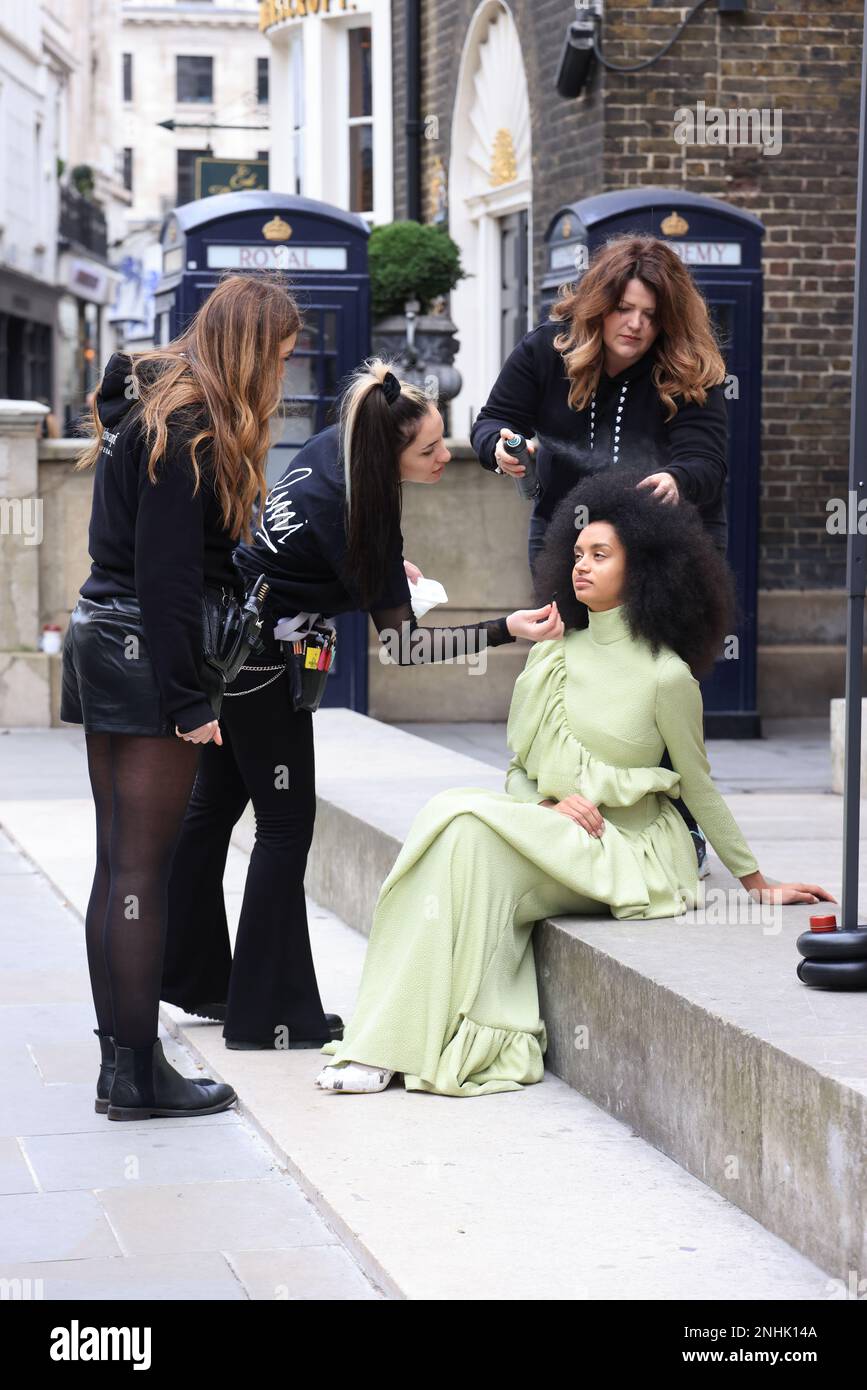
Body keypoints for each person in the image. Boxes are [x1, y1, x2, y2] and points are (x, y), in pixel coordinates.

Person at [315, 467, 836, 1097]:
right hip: (558, 828)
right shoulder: (551, 653)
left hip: (630, 849)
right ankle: (392, 1040)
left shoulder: (667, 676)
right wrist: (544, 802)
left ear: (643, 569)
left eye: (601, 555)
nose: (581, 566)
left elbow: (697, 784)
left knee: (460, 825)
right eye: (578, 553)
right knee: (459, 839)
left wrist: (756, 881)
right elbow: (518, 770)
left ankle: (400, 1044)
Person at [160, 358, 563, 1050]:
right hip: (261, 663)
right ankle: (269, 1015)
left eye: (443, 442)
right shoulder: (365, 515)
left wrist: (373, 580)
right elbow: (404, 646)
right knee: (285, 826)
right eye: (429, 448)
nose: (444, 457)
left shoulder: (330, 450)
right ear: (388, 449)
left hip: (223, 640)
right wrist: (505, 628)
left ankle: (195, 978)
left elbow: (305, 556)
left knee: (212, 811)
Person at [60, 272, 302, 1120]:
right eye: (277, 357)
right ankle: (135, 1074)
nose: (280, 375)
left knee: (120, 862)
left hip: (106, 634)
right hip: (143, 649)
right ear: (247, 350)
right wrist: (188, 701)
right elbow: (165, 577)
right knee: (141, 869)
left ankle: (123, 1065)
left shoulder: (155, 408)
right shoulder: (188, 425)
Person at [471, 233, 732, 874]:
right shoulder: (547, 348)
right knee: (569, 676)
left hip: (664, 549)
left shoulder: (688, 364)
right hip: (569, 536)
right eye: (625, 310)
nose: (637, 325)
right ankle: (568, 804)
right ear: (599, 305)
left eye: (651, 314)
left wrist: (679, 480)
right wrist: (500, 447)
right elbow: (492, 419)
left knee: (659, 686)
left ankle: (680, 823)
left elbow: (708, 460)